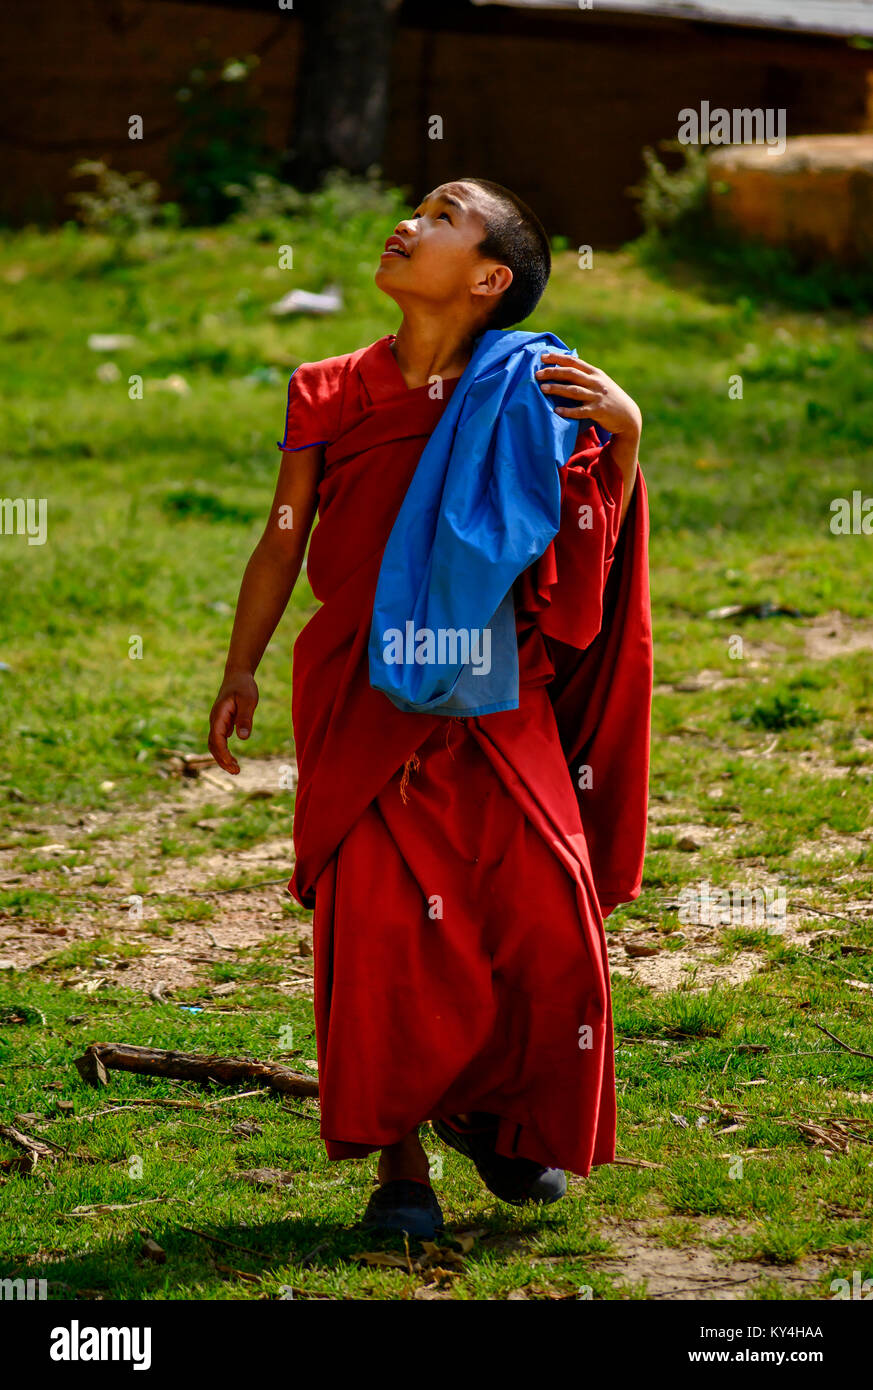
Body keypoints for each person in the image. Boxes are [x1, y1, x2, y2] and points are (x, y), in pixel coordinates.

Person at [208, 177, 652, 1238]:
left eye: (444, 215)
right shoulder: (325, 387)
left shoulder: (534, 384)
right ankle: (398, 1165)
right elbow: (284, 536)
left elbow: (587, 544)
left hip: (500, 690)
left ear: (490, 277)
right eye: (415, 208)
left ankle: (496, 1116)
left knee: (546, 920)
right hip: (363, 685)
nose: (409, 222)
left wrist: (627, 440)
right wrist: (242, 667)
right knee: (379, 929)